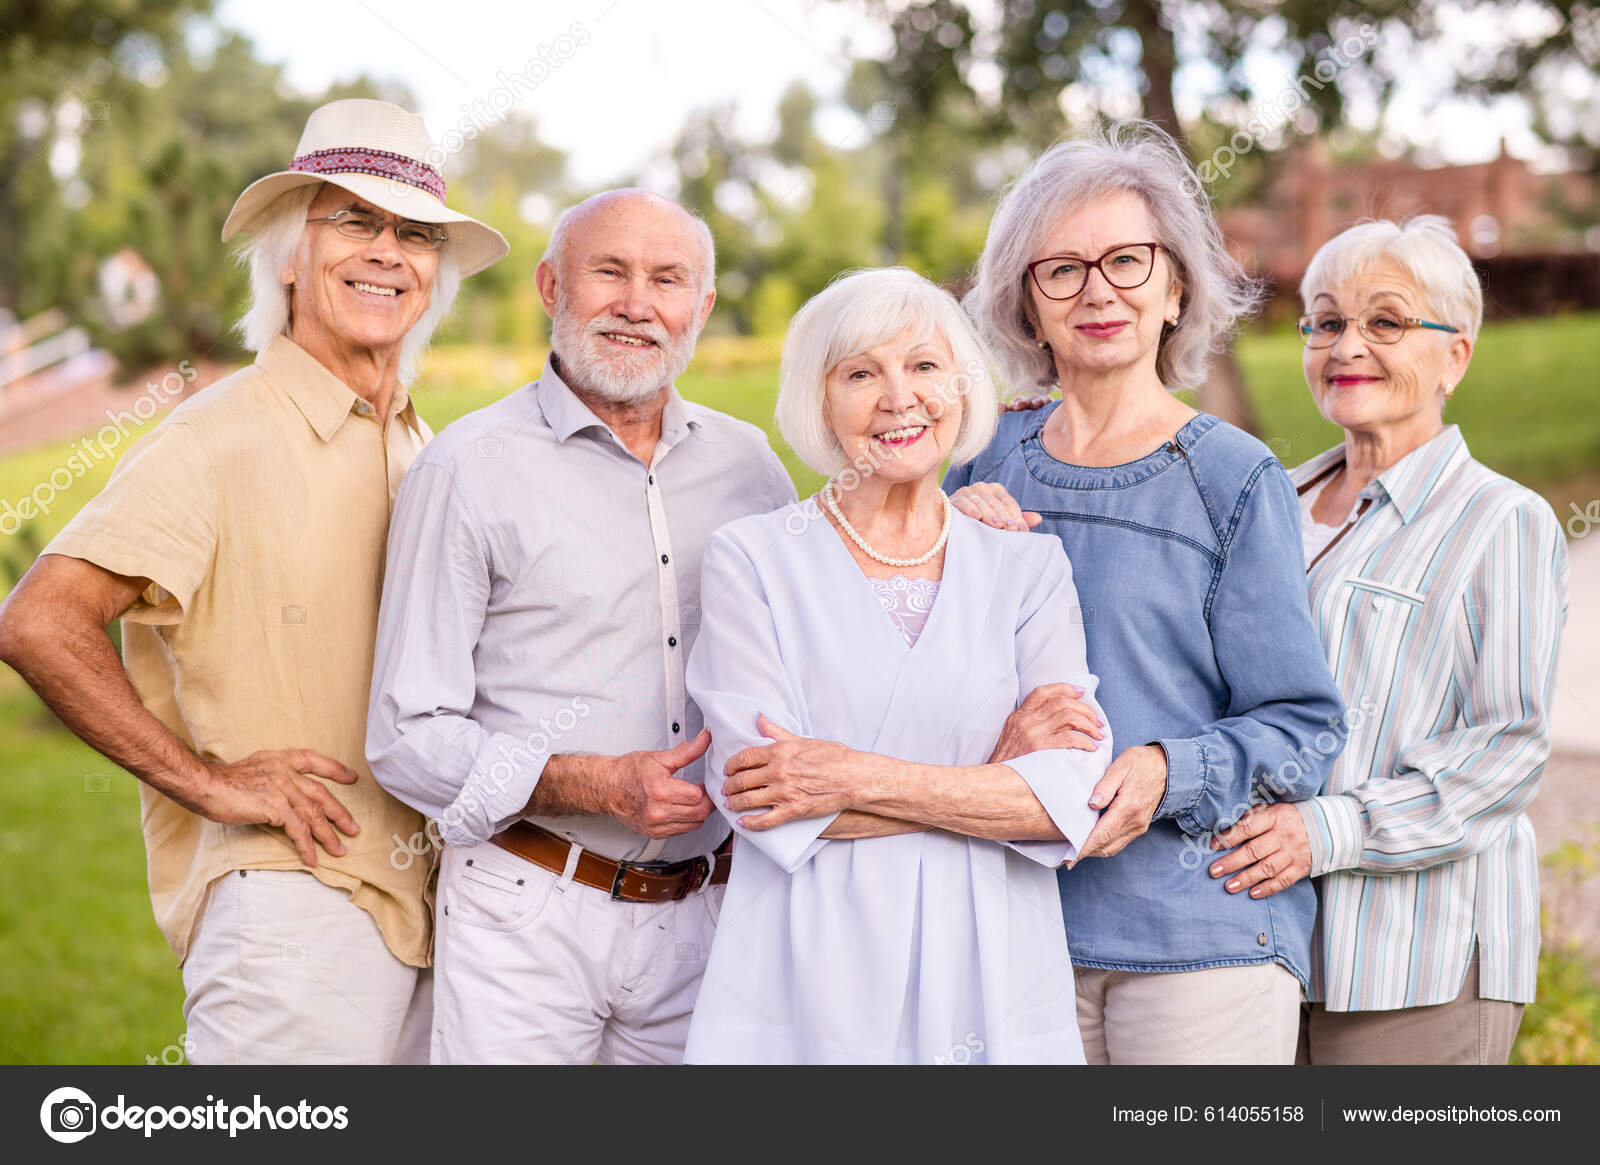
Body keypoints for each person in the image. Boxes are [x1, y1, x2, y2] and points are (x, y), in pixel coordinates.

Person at [0, 99, 507, 1063]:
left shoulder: (426, 446)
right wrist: (210, 783)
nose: (387, 251)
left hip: (437, 917)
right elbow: (39, 621)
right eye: (353, 220)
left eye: (414, 232)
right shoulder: (217, 435)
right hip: (292, 914)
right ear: (287, 254)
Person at [945, 121, 1346, 1064]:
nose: (1098, 291)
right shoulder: (979, 461)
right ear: (1026, 304)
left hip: (1197, 936)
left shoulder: (1232, 477)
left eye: (1128, 261)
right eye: (1063, 269)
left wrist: (1172, 768)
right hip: (1013, 926)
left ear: (1175, 286)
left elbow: (1302, 724)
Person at [365, 189, 797, 1064]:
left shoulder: (748, 465)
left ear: (701, 308)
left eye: (667, 279)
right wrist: (594, 782)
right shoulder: (466, 469)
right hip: (529, 910)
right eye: (610, 272)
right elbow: (405, 735)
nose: (638, 303)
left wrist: (969, 518)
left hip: (708, 918)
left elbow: (825, 622)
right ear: (551, 286)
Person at [682, 267, 1112, 1064]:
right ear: (821, 403)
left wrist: (844, 776)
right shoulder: (756, 560)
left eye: (923, 365)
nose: (898, 396)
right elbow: (762, 799)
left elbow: (1062, 805)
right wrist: (993, 774)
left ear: (962, 386)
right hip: (807, 966)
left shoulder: (1027, 568)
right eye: (859, 373)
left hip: (989, 962)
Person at [1206, 215, 1570, 1064]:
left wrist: (1324, 831)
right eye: (1326, 322)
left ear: (1457, 356)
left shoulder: (1503, 521)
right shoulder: (1265, 504)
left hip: (1419, 963)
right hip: (1261, 945)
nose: (1347, 345)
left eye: (1387, 321)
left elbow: (1504, 750)